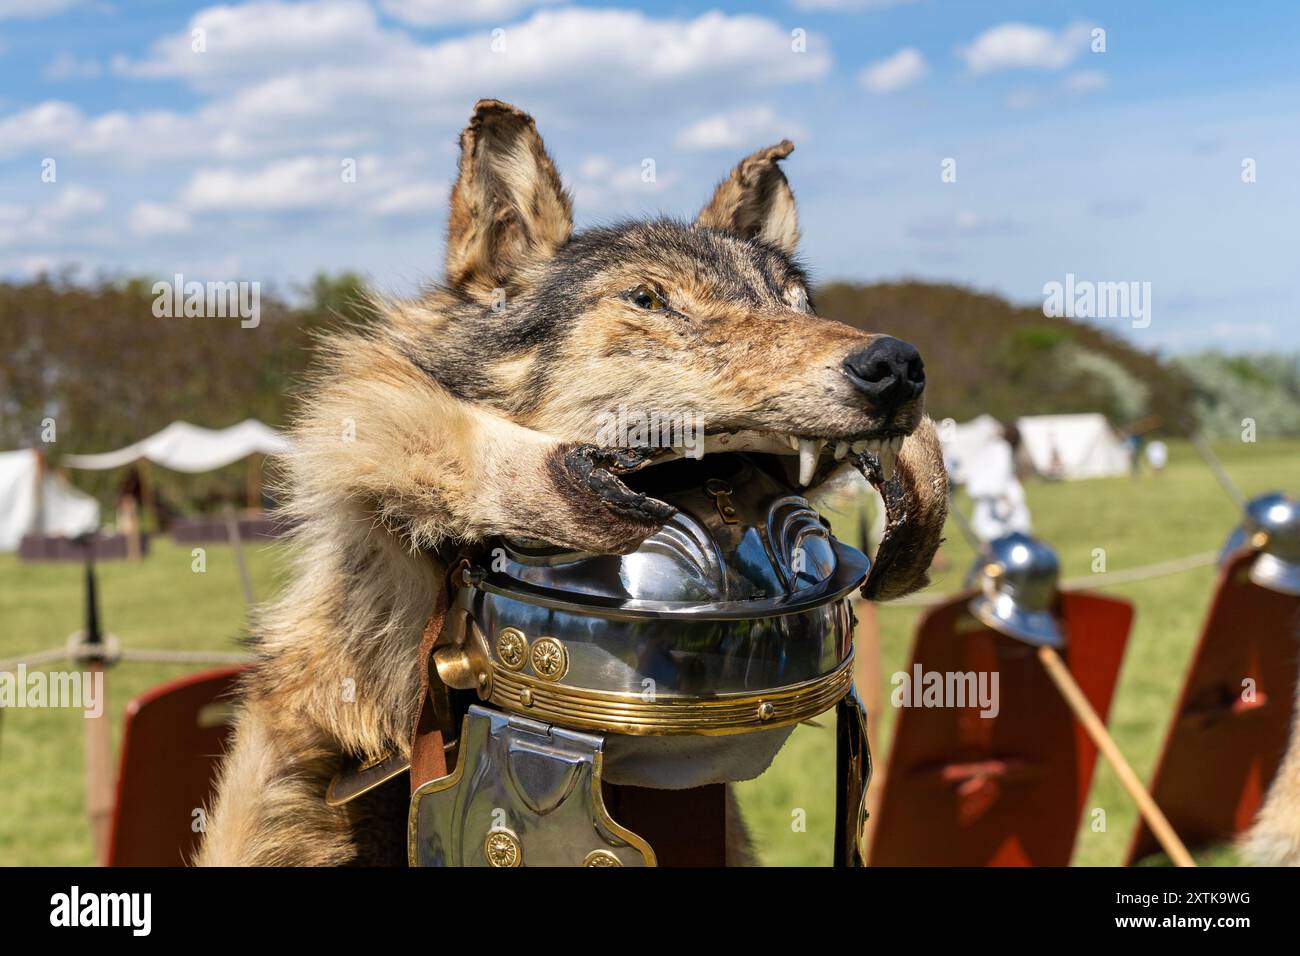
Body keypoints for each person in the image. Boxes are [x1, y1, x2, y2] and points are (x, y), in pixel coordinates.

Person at [966, 422, 1032, 543]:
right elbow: (998, 477)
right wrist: (1004, 498)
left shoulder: (991, 446)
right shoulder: (1002, 449)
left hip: (987, 496)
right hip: (996, 499)